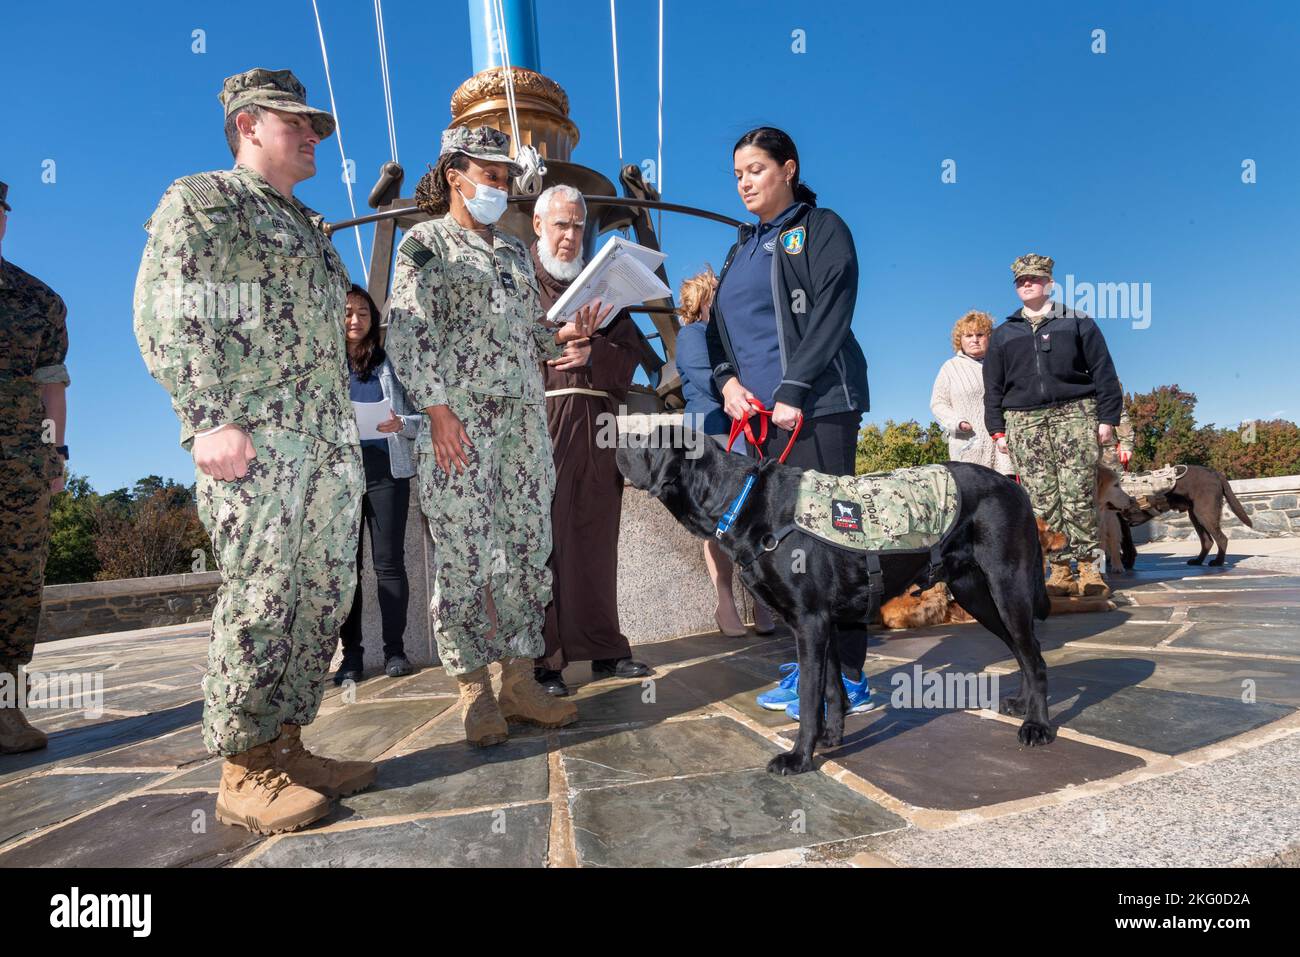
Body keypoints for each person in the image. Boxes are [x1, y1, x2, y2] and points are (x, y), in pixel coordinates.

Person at [133, 68, 376, 835]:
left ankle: (286, 743)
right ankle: (243, 767)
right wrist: (208, 417)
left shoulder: (313, 227)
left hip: (325, 444)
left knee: (320, 596)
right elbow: (166, 305)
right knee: (262, 593)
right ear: (248, 125)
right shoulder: (201, 201)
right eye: (297, 123)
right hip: (255, 439)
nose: (312, 137)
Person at [385, 126, 600, 747]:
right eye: (493, 176)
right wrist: (438, 408)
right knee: (463, 554)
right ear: (456, 174)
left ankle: (519, 680)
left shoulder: (511, 252)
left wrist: (562, 341)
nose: (503, 188)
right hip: (459, 424)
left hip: (523, 425)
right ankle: (474, 691)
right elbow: (407, 330)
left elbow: (527, 336)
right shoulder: (425, 245)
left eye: (508, 178)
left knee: (528, 546)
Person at [704, 126, 874, 720]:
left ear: (789, 169)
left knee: (833, 541)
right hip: (760, 422)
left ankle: (847, 672)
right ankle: (811, 663)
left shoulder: (821, 229)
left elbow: (834, 305)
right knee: (789, 548)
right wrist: (726, 383)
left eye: (756, 169)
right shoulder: (740, 247)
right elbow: (715, 331)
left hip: (818, 409)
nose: (745, 182)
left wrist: (795, 387)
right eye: (738, 175)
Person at [528, 184, 651, 697]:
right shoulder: (519, 283)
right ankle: (546, 660)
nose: (570, 235)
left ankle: (603, 649)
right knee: (547, 540)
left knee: (598, 538)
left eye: (578, 225)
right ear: (538, 226)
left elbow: (635, 359)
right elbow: (499, 347)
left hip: (598, 424)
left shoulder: (602, 287)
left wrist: (594, 353)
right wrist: (555, 346)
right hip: (542, 423)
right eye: (561, 224)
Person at [984, 253, 1123, 598]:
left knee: (1078, 492)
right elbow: (994, 387)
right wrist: (997, 429)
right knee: (1041, 498)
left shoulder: (1077, 322)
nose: (1026, 284)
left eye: (1033, 278)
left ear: (1049, 283)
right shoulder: (1003, 335)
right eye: (1020, 280)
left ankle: (1090, 568)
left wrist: (1107, 418)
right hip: (1024, 421)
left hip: (1075, 413)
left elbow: (1104, 372)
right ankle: (1059, 570)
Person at [0, 180, 70, 754]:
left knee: (16, 585)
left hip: (19, 465)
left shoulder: (35, 299)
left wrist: (56, 453)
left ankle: (5, 712)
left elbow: (51, 385)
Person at [674, 267, 775, 638]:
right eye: (718, 289)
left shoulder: (728, 339)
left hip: (740, 436)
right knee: (718, 527)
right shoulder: (692, 335)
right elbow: (708, 381)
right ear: (703, 299)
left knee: (750, 521)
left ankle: (762, 603)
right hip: (711, 437)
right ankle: (725, 603)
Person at [333, 284, 422, 685]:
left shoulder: (391, 363)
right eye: (348, 312)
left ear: (373, 320)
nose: (355, 320)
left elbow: (424, 416)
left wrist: (401, 424)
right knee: (346, 570)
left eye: (363, 313)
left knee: (389, 565)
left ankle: (395, 651)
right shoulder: (326, 366)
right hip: (340, 480)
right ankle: (351, 657)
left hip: (387, 474)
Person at [929, 310, 1014, 476]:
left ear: (990, 337)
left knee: (1007, 495)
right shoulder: (950, 367)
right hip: (969, 447)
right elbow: (938, 403)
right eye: (968, 335)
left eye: (980, 334)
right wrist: (957, 422)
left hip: (1003, 448)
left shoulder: (1003, 365)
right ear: (960, 340)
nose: (974, 340)